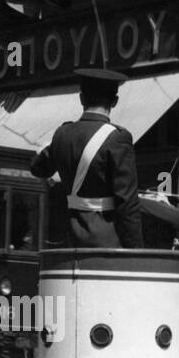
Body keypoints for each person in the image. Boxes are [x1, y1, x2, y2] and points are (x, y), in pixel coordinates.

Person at [29, 67, 143, 249]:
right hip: (106, 242)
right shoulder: (118, 139)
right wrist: (136, 251)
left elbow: (37, 168)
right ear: (114, 101)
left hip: (68, 240)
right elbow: (126, 203)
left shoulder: (62, 134)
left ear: (81, 99)